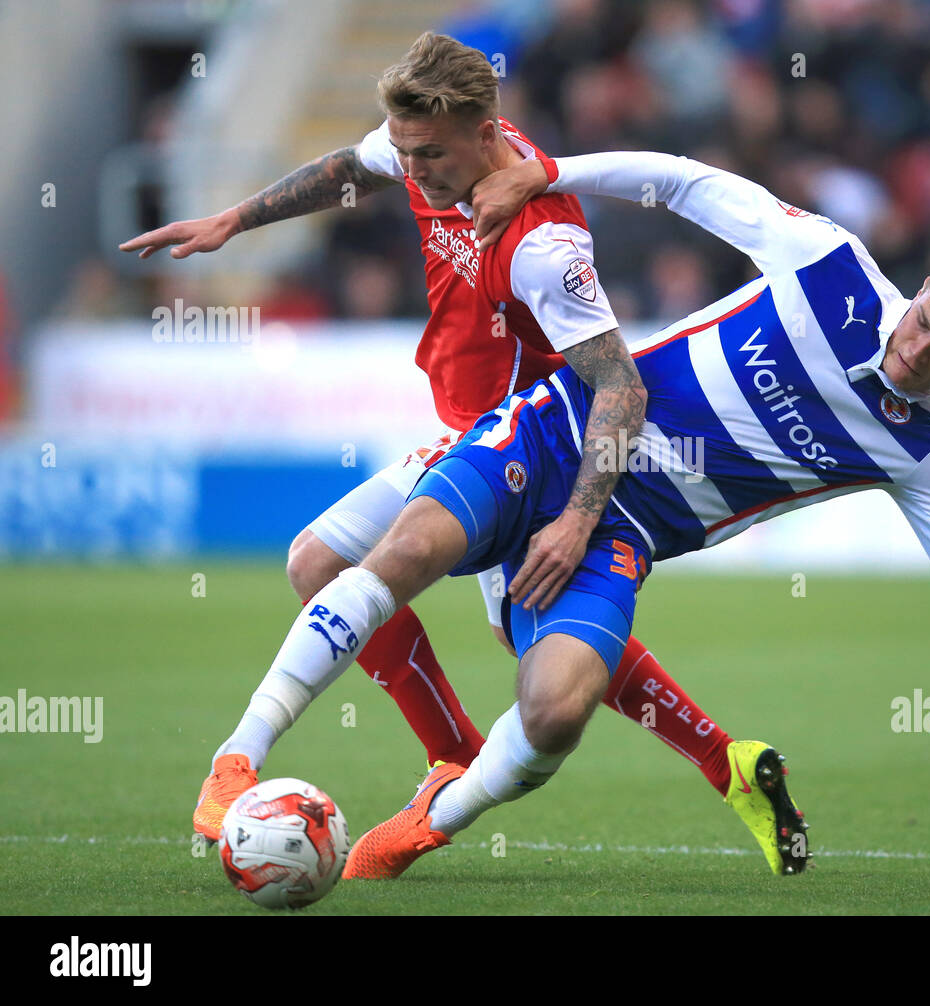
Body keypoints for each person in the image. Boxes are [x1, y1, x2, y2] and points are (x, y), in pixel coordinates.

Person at [259, 148, 930, 881]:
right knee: (360, 558)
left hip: (621, 532)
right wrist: (555, 173)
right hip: (558, 428)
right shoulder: (832, 268)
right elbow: (684, 183)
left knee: (555, 710)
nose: (917, 349)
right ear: (924, 287)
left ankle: (431, 823)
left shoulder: (924, 455)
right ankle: (247, 759)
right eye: (925, 320)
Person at [120, 33, 807, 877]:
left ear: (487, 132)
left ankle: (410, 761)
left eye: (431, 155)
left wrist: (576, 513)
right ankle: (705, 762)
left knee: (525, 652)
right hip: (463, 430)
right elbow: (349, 167)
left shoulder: (546, 244)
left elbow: (620, 386)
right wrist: (236, 219)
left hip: (521, 448)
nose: (415, 169)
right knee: (350, 573)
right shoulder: (423, 146)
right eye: (406, 151)